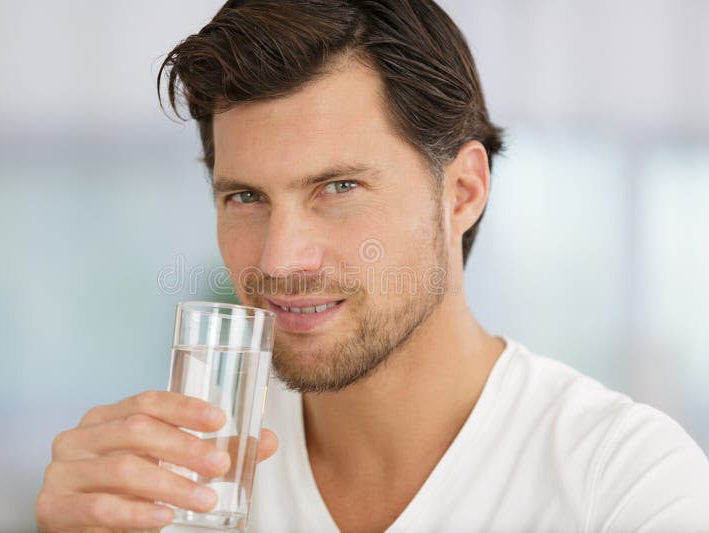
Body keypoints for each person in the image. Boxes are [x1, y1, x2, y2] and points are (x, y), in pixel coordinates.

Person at [35, 1, 709, 531]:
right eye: (245, 197)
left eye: (338, 187)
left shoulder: (622, 483)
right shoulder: (183, 483)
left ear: (463, 192)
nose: (279, 259)